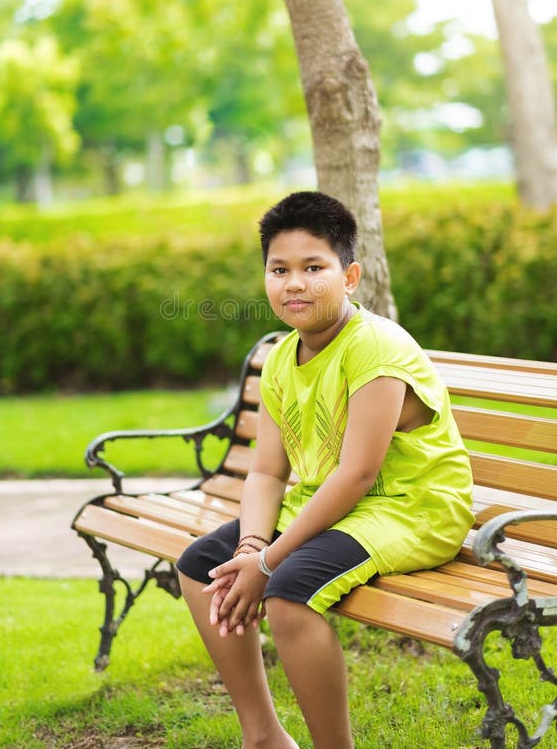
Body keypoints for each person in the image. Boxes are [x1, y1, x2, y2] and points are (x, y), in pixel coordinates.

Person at [176, 190, 474, 749]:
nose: (294, 283)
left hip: (410, 508)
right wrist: (249, 549)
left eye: (314, 267)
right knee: (201, 567)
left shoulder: (376, 349)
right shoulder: (282, 359)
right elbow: (266, 473)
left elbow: (358, 475)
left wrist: (268, 561)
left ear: (350, 276)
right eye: (279, 269)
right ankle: (263, 736)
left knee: (289, 591)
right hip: (340, 508)